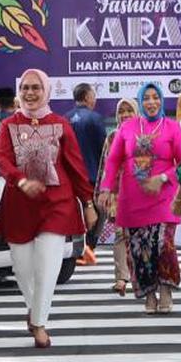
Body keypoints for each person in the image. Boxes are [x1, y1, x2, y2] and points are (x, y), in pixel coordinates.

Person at [0, 69, 97, 348]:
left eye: (36, 87)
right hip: (19, 205)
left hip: (57, 203)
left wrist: (87, 203)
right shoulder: (8, 125)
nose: (30, 93)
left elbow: (76, 167)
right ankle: (33, 308)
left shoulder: (61, 124)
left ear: (46, 90)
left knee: (48, 266)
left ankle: (38, 323)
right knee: (23, 269)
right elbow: (2, 159)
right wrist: (21, 180)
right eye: (25, 88)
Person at [98, 83, 181, 313]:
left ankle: (165, 290)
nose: (151, 102)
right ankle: (149, 295)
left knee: (163, 246)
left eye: (155, 97)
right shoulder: (127, 128)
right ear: (140, 102)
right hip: (132, 201)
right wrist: (106, 188)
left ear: (161, 100)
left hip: (164, 199)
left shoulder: (172, 127)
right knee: (139, 250)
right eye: (146, 98)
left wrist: (164, 178)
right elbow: (113, 160)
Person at [97, 98, 138, 294]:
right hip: (117, 193)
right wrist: (101, 192)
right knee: (121, 234)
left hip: (140, 193)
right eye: (121, 111)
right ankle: (121, 278)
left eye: (129, 110)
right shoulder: (112, 136)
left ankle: (139, 276)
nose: (125, 114)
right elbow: (105, 166)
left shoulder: (144, 134)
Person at [65, 83, 105, 265]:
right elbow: (104, 149)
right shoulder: (95, 119)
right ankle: (88, 247)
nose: (95, 99)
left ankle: (79, 248)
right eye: (93, 96)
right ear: (88, 97)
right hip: (92, 175)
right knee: (97, 213)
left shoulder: (65, 119)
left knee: (77, 213)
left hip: (70, 177)